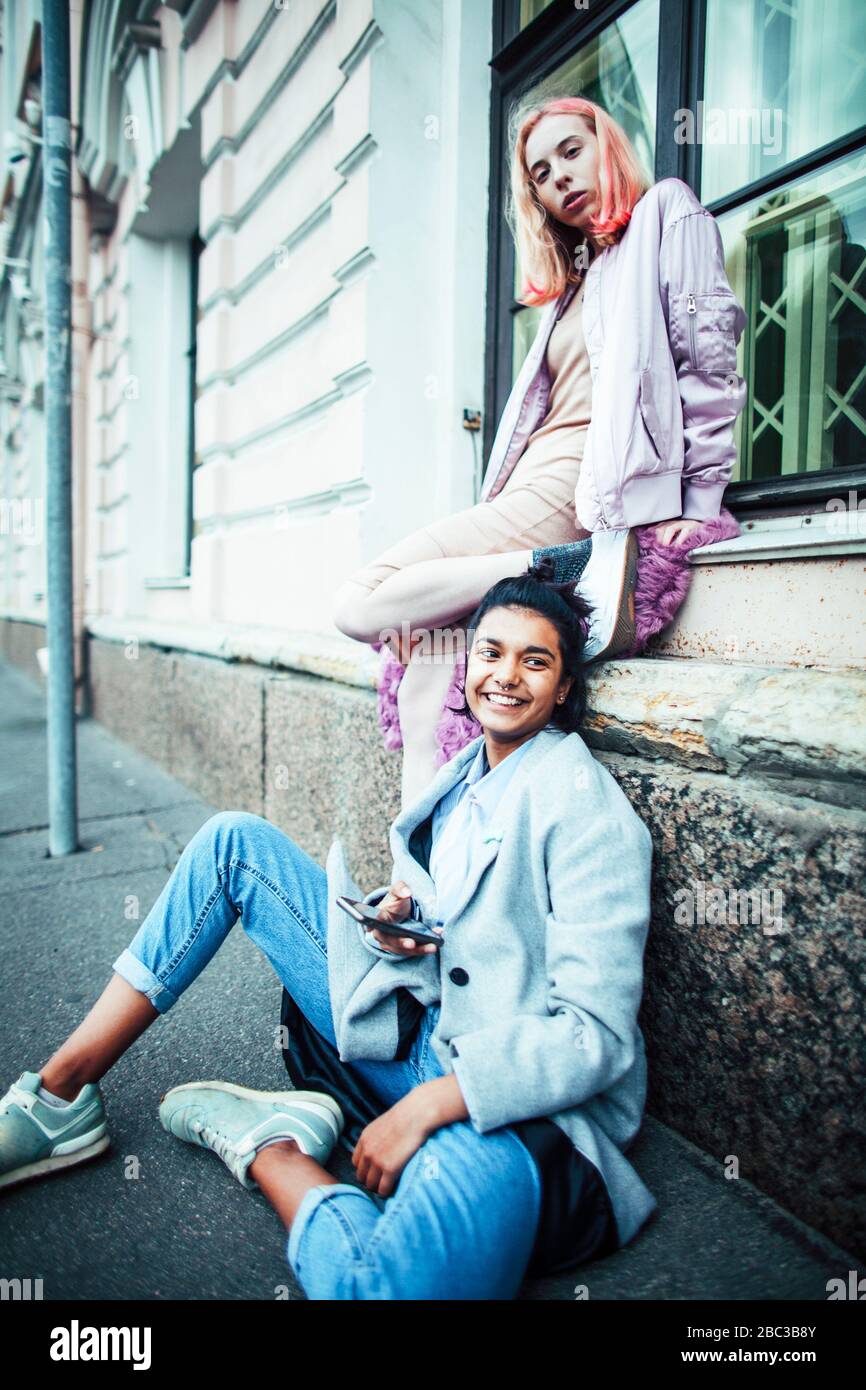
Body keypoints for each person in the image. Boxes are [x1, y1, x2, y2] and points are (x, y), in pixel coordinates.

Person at [0, 562, 656, 1301]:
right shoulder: (468, 771)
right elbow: (459, 922)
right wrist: (397, 920)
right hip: (412, 1029)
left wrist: (435, 1102)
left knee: (392, 1291)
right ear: (467, 664)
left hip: (513, 1112)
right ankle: (57, 1098)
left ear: (564, 687)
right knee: (232, 843)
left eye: (535, 661)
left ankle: (272, 1148)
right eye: (490, 652)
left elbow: (594, 1035)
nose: (506, 676)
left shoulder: (587, 811)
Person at [331, 95, 747, 807]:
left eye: (570, 151)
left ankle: (555, 565)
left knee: (360, 602)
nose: (558, 176)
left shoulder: (665, 215)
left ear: (605, 143)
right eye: (540, 171)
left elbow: (708, 367)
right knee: (430, 659)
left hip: (574, 498)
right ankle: (416, 883)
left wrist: (701, 505)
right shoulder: (575, 281)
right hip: (529, 490)